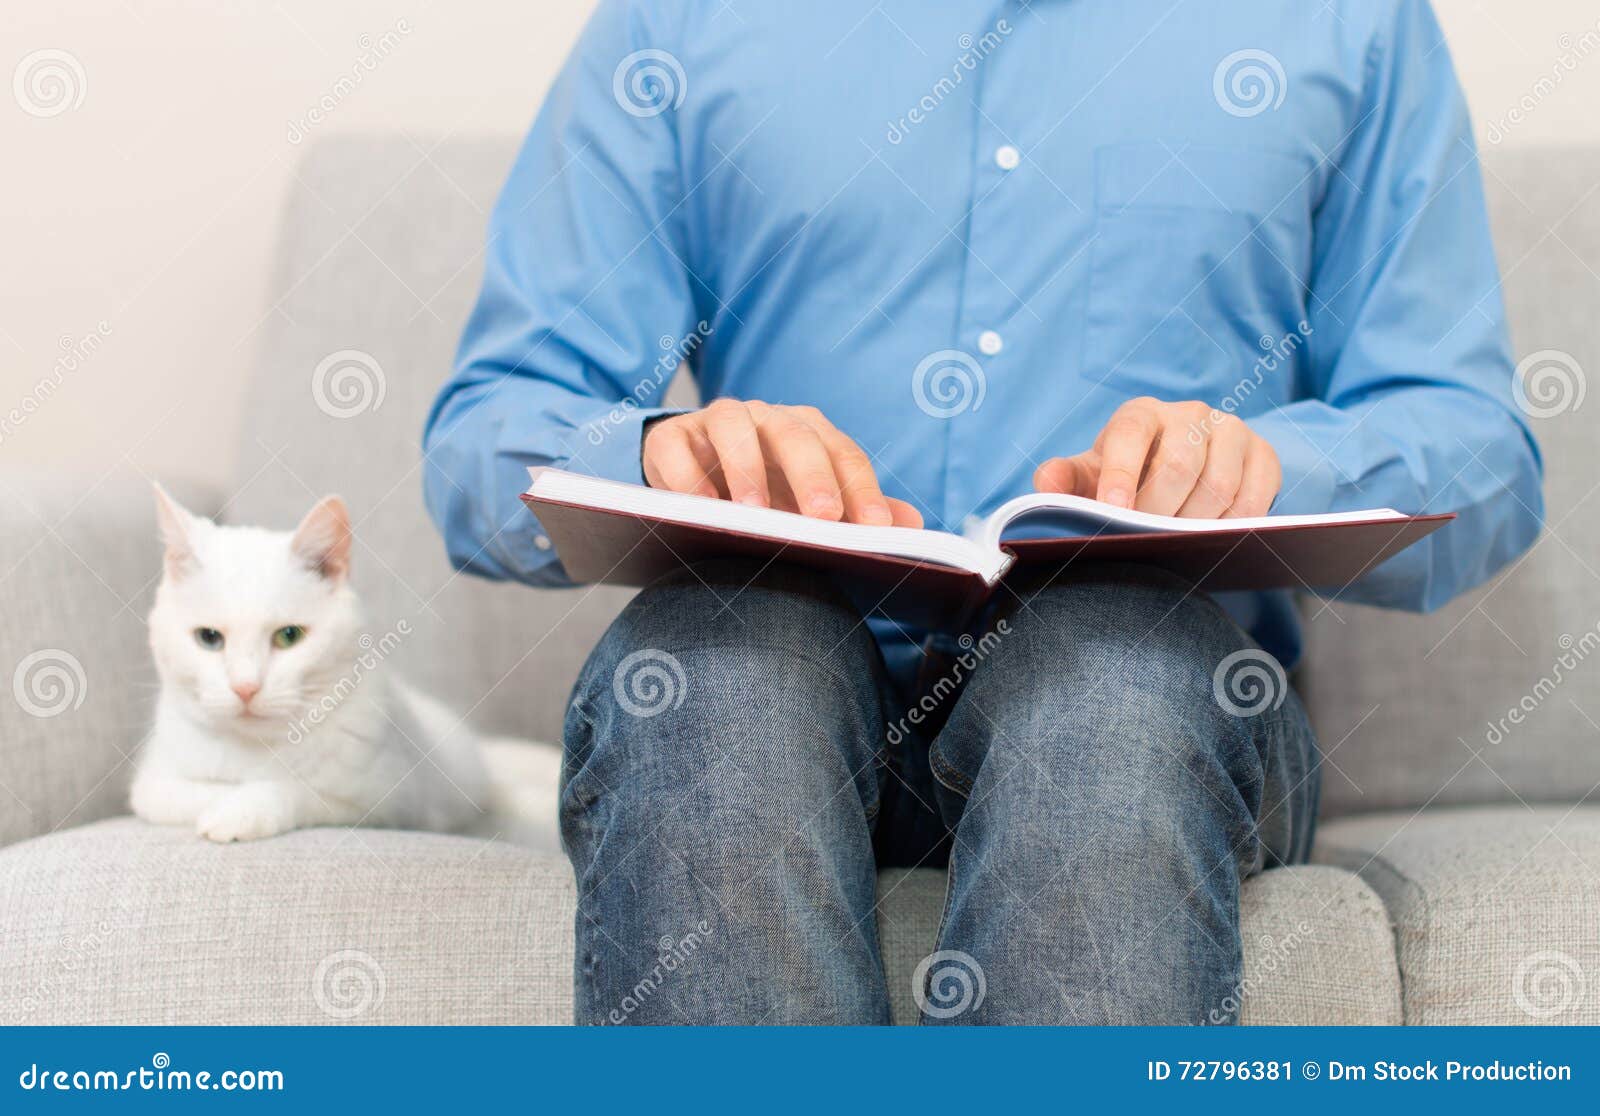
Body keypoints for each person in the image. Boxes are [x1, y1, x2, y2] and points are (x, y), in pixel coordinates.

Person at [423, 0, 1542, 1024]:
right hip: (778, 681)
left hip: (1165, 705)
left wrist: (1264, 467)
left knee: (1110, 675)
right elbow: (489, 437)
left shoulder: (1348, 22)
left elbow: (1478, 449)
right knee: (715, 669)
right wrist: (662, 453)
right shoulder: (677, 22)